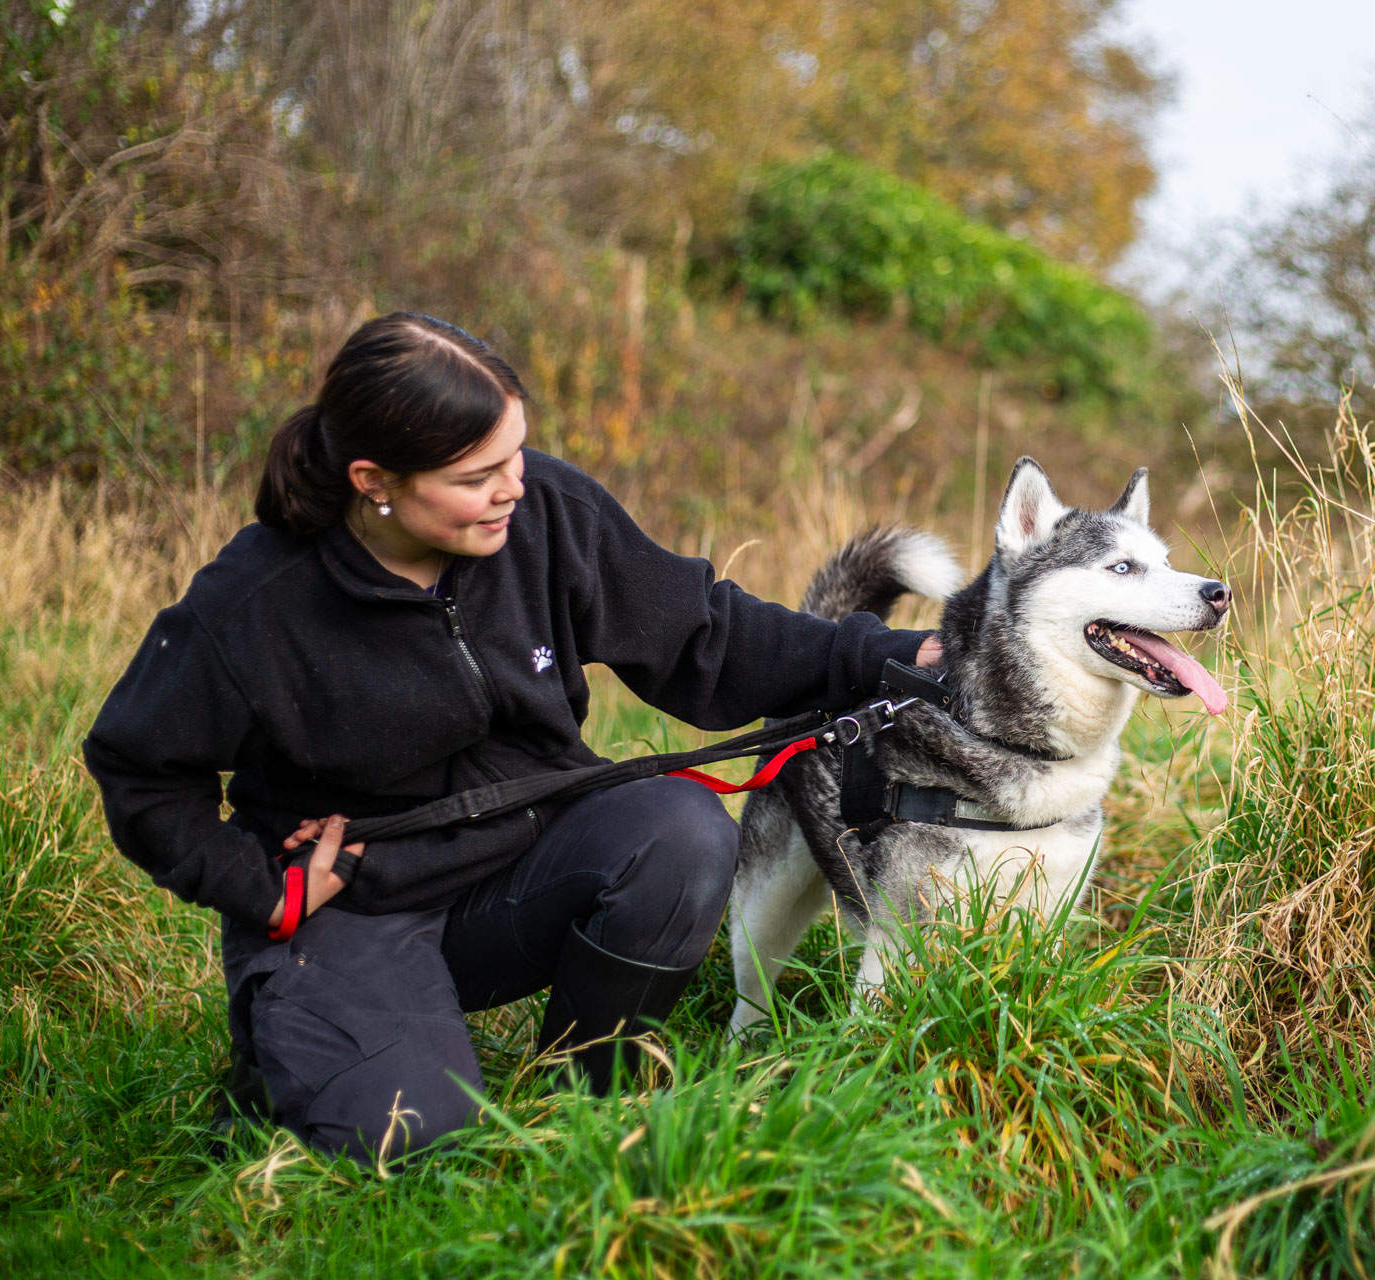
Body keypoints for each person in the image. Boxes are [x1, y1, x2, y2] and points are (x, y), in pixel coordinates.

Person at [83, 312, 940, 1159]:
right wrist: (265, 892)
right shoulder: (254, 606)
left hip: (528, 858)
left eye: (517, 455)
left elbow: (705, 637)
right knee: (411, 1139)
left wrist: (896, 658)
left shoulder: (543, 514)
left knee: (677, 832)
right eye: (477, 474)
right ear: (374, 479)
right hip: (358, 908)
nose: (513, 489)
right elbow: (138, 767)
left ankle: (583, 1100)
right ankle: (307, 1041)